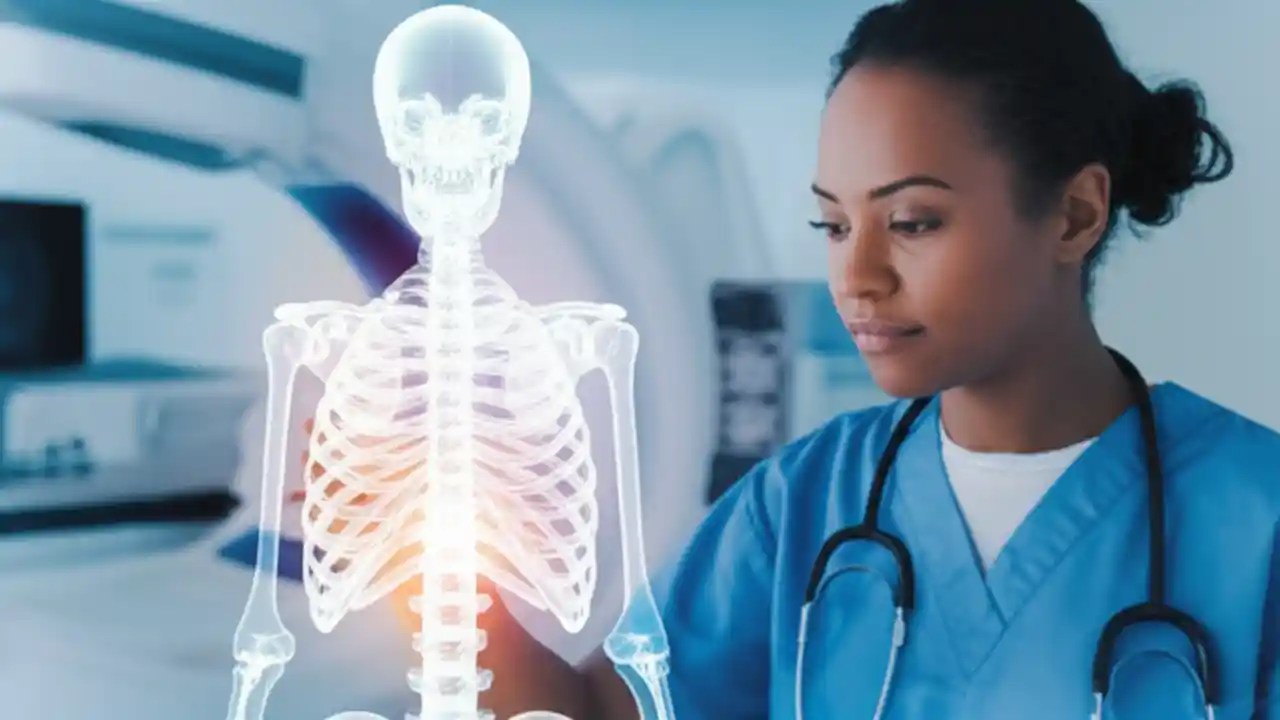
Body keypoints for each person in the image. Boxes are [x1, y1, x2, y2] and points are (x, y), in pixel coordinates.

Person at [309, 1, 1280, 718]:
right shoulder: (806, 501)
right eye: (829, 222)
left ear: (1072, 213)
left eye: (909, 221)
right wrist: (411, 540)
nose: (854, 276)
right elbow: (597, 712)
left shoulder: (1256, 516)